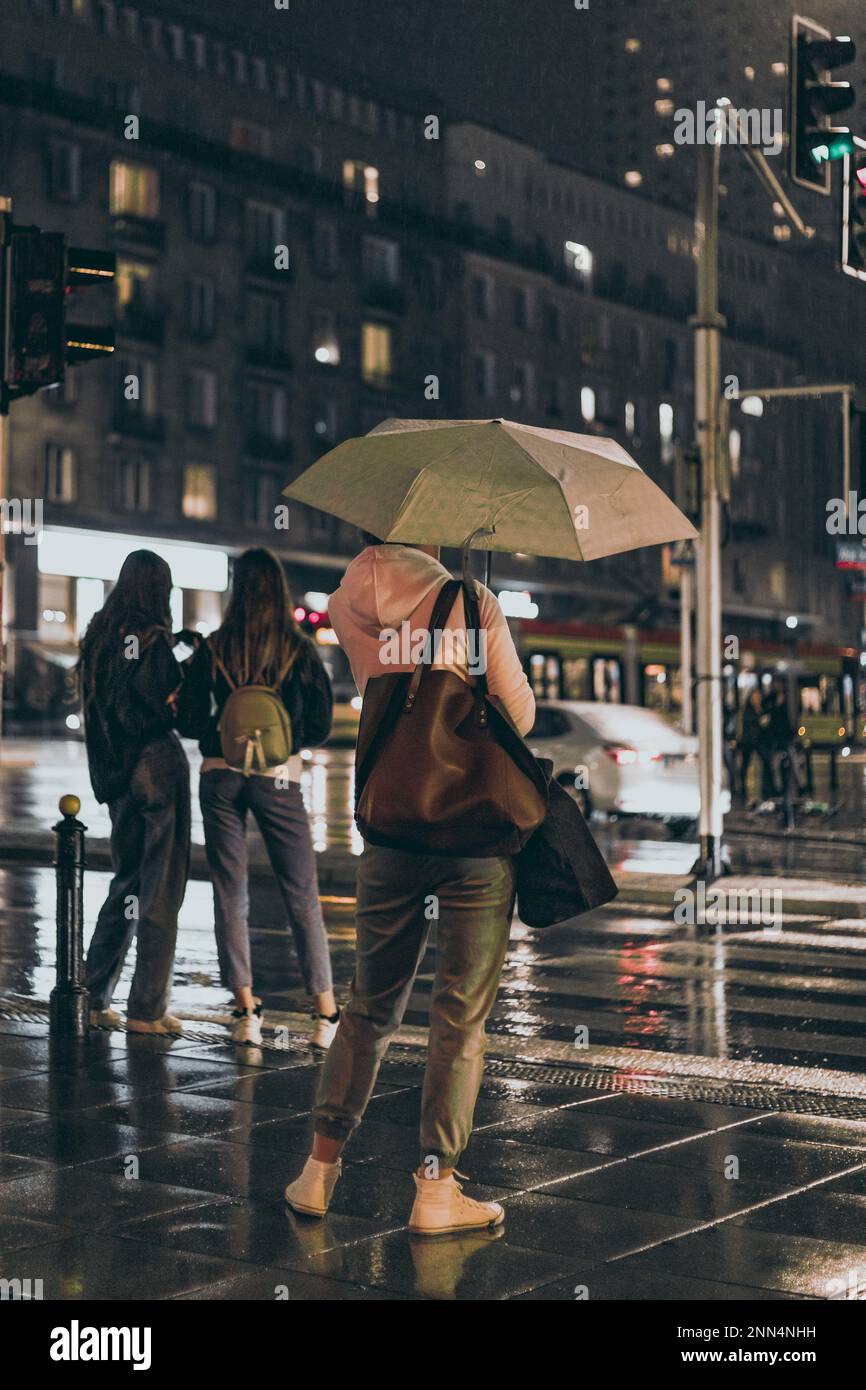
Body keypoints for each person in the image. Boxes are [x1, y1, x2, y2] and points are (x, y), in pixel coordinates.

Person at [285, 533, 536, 1236]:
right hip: (473, 838)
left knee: (369, 1006)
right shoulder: (470, 599)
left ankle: (317, 1172)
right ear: (424, 531)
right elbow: (517, 716)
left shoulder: (346, 607)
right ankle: (435, 1190)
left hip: (392, 832)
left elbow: (384, 697)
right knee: (458, 1018)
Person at [177, 548, 337, 1047]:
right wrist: (285, 743)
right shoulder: (298, 649)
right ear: (280, 590)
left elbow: (185, 716)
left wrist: (219, 735)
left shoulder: (214, 647)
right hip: (279, 777)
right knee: (300, 890)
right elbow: (321, 723)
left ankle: (246, 1008)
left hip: (220, 774)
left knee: (230, 891)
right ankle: (324, 1013)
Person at [79, 549, 190, 1034]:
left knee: (125, 882)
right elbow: (156, 708)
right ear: (158, 590)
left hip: (117, 775)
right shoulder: (151, 639)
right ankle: (147, 1009)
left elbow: (107, 707)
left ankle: (92, 995)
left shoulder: (99, 638)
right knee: (161, 887)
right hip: (155, 764)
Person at [738, 686, 776, 802]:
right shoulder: (748, 709)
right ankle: (741, 786)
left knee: (766, 762)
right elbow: (750, 722)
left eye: (758, 696)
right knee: (745, 764)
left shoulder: (761, 707)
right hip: (749, 740)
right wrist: (760, 720)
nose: (757, 698)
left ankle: (769, 787)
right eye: (755, 696)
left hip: (758, 740)